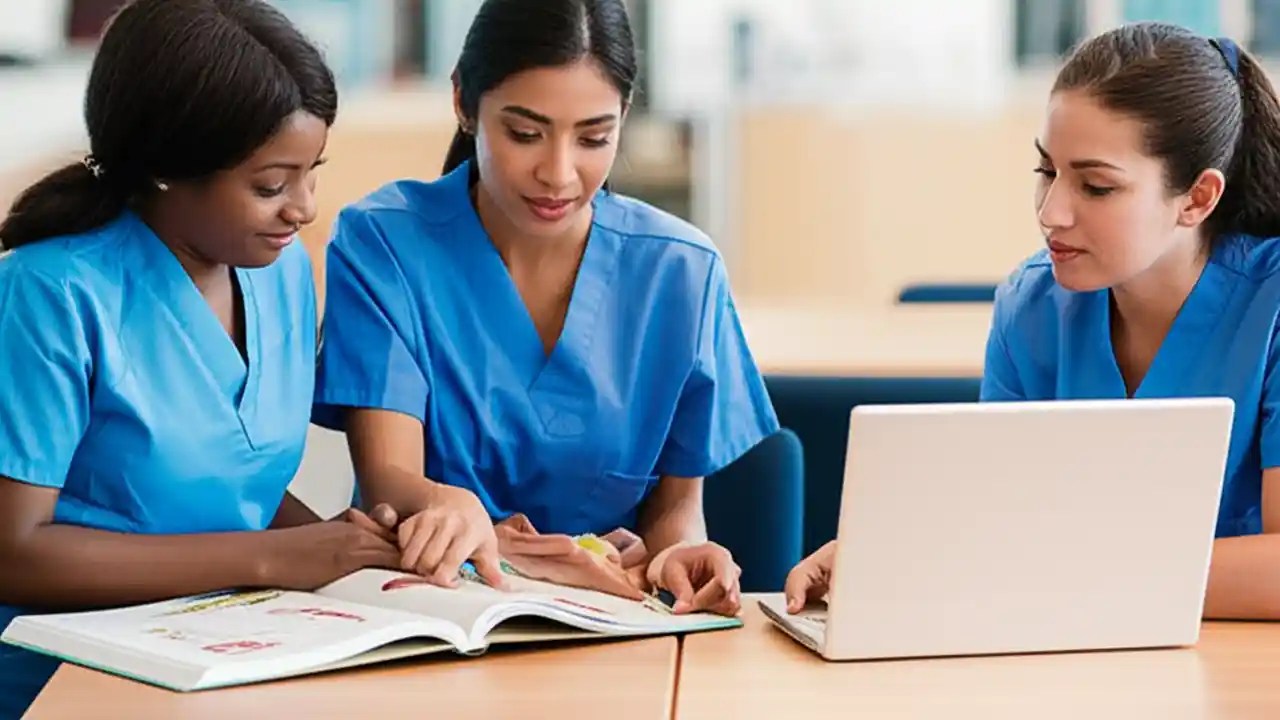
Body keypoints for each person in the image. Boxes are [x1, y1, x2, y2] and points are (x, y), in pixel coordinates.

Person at [785, 22, 1280, 619]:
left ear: (1197, 199)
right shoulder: (1032, 308)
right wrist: (892, 556)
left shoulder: (1270, 306)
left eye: (1096, 187)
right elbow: (1005, 527)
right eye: (1047, 172)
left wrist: (1038, 566)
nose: (1052, 213)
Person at [312, 0, 779, 617]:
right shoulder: (384, 244)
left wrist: (681, 557)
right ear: (464, 104)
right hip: (434, 611)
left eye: (594, 137)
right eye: (525, 133)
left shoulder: (682, 272)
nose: (559, 174)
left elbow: (673, 511)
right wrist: (466, 517)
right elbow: (389, 484)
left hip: (609, 621)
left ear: (624, 119)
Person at [0, 1, 400, 715]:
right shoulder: (50, 293)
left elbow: (231, 480)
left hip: (232, 655)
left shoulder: (278, 274)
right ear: (163, 168)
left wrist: (352, 546)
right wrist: (274, 558)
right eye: (271, 185)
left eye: (312, 173)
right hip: (65, 682)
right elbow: (15, 552)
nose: (304, 208)